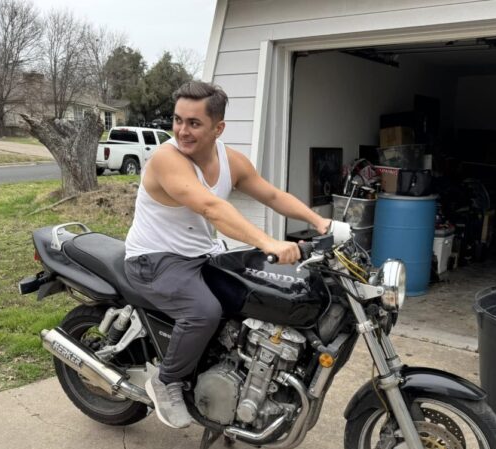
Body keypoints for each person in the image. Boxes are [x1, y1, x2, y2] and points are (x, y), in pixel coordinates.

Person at [124, 81, 347, 429]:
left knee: (253, 296)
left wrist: (320, 222)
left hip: (201, 253)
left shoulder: (230, 160)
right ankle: (167, 381)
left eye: (194, 123)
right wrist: (268, 242)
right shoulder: (167, 159)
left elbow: (272, 195)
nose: (182, 130)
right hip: (155, 258)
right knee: (203, 312)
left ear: (218, 128)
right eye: (178, 120)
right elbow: (211, 208)